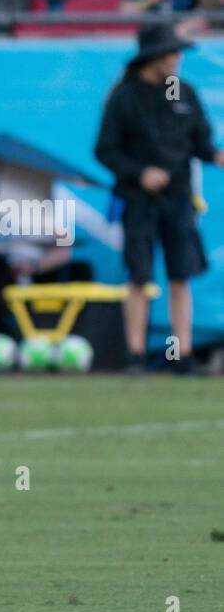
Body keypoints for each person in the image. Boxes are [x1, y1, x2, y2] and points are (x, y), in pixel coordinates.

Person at [94, 22, 222, 374]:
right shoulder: (124, 97)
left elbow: (201, 144)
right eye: (171, 52)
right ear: (153, 57)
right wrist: (140, 173)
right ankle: (135, 355)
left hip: (179, 198)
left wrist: (215, 156)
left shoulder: (184, 94)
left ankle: (181, 353)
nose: (177, 58)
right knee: (139, 276)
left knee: (181, 275)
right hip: (138, 200)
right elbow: (105, 150)